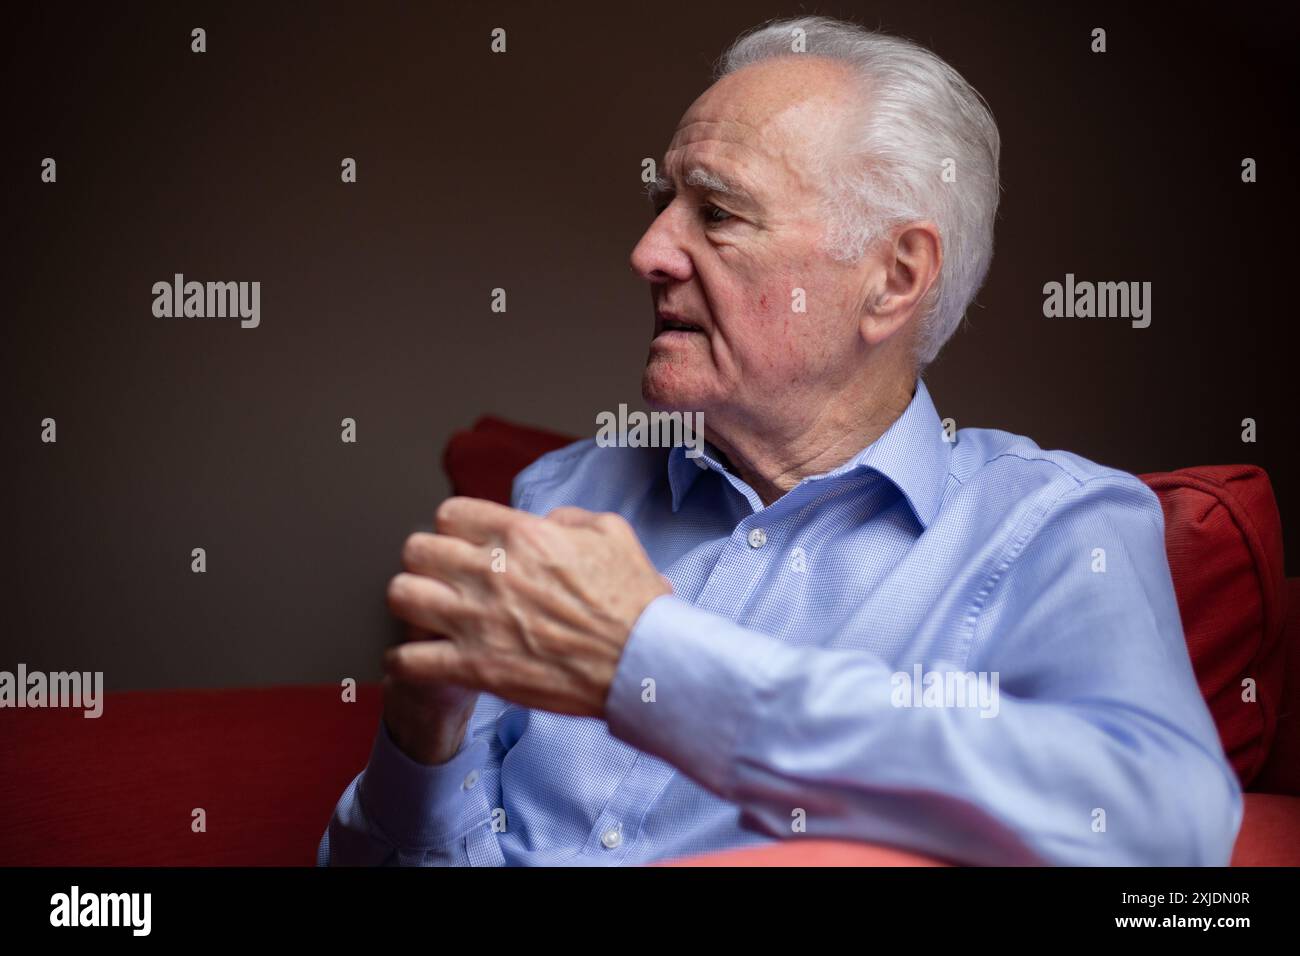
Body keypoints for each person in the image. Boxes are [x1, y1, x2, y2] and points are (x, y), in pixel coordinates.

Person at [319, 15, 1241, 867]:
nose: (649, 250)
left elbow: (1170, 823)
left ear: (893, 278)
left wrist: (650, 657)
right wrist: (418, 744)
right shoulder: (560, 492)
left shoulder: (1054, 527)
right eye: (660, 202)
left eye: (716, 213)